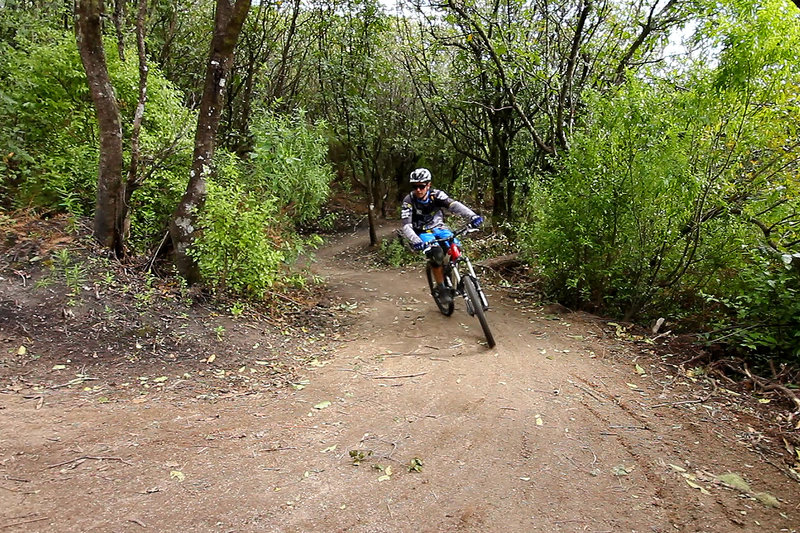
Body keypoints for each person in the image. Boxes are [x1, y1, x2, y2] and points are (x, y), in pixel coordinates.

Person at [400, 168, 484, 306]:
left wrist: (472, 216)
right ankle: (441, 286)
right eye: (415, 186)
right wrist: (416, 241)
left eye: (421, 186)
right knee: (437, 254)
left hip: (439, 228)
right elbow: (406, 226)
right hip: (422, 233)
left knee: (455, 248)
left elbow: (454, 205)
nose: (418, 190)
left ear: (428, 185)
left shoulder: (436, 195)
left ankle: (452, 274)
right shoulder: (409, 200)